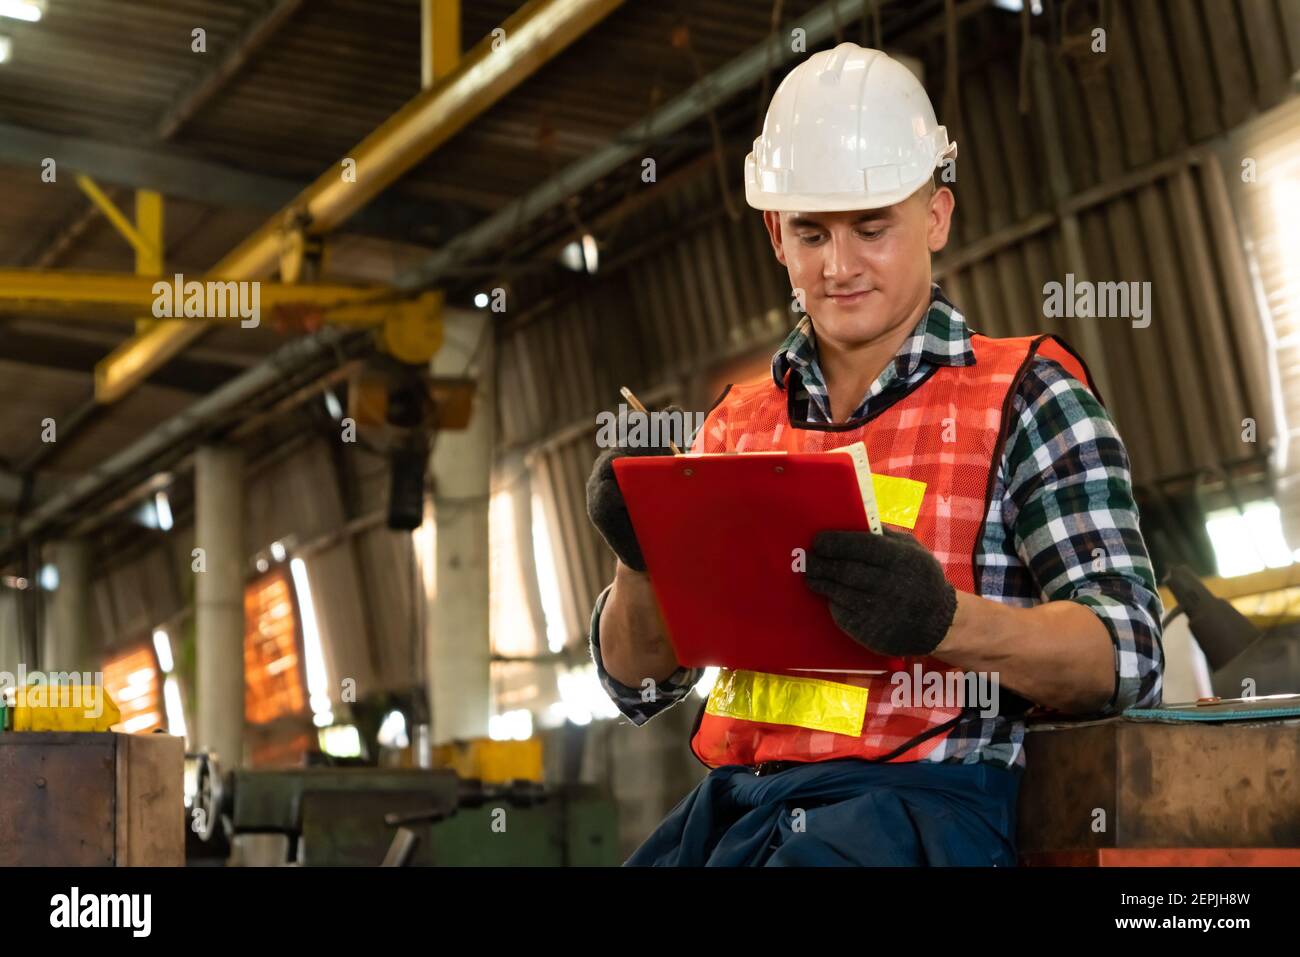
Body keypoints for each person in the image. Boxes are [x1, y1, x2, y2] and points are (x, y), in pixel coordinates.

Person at [584, 43, 1163, 866]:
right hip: (739, 812)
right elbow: (639, 682)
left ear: (936, 216)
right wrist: (636, 559)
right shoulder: (736, 423)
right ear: (775, 234)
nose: (840, 265)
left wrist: (946, 622)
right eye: (812, 232)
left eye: (872, 227)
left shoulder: (1027, 398)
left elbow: (1129, 652)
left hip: (927, 814)